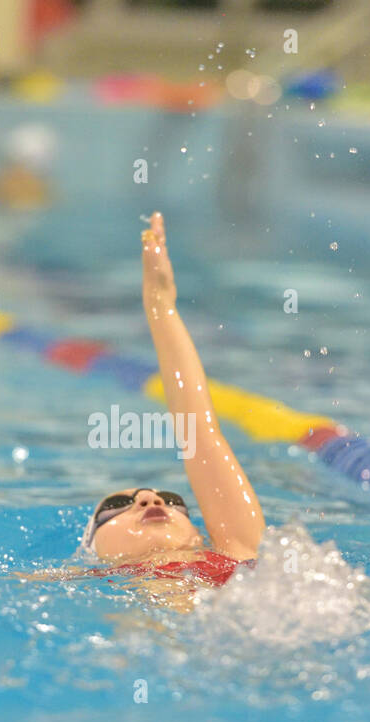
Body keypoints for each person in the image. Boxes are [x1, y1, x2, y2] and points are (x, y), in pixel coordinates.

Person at [61, 212, 264, 606]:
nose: (151, 501)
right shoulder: (65, 586)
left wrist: (161, 306)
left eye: (172, 500)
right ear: (92, 550)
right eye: (117, 506)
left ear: (199, 532)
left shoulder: (239, 555)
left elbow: (200, 432)